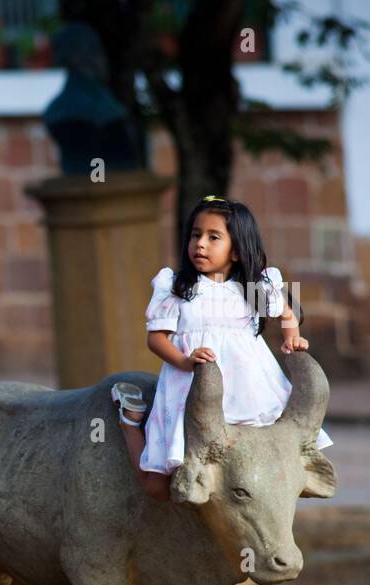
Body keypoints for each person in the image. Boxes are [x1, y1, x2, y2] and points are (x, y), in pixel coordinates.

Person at [112, 195, 334, 501]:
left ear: (237, 251)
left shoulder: (252, 289)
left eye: (213, 237)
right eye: (195, 235)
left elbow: (286, 313)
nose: (200, 244)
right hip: (190, 385)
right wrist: (185, 360)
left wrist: (291, 337)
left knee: (260, 467)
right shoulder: (177, 288)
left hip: (250, 392)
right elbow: (156, 339)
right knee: (159, 487)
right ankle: (130, 422)